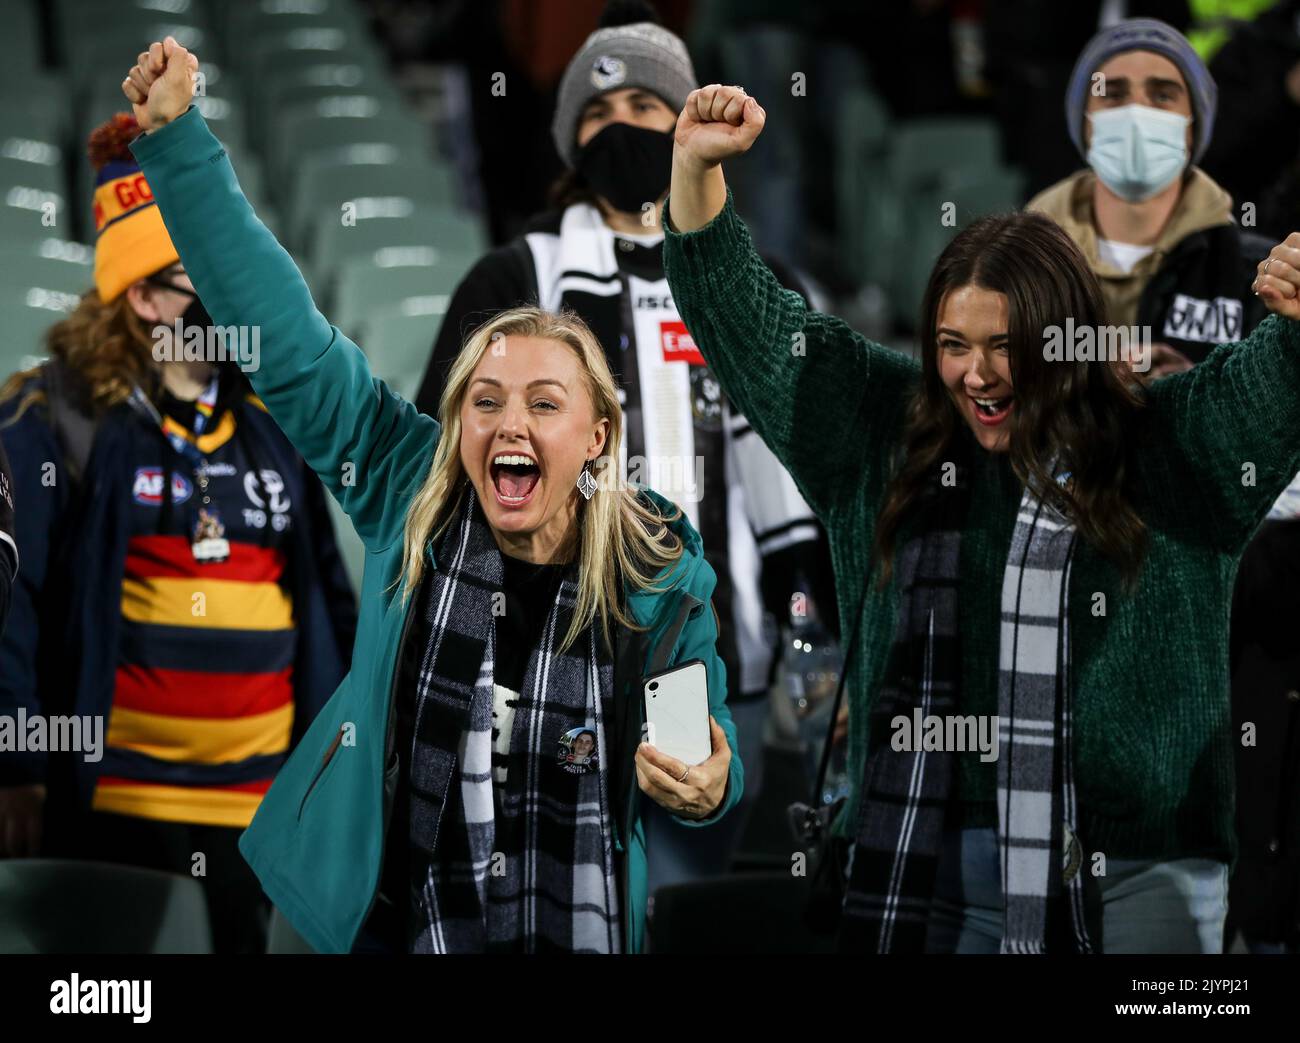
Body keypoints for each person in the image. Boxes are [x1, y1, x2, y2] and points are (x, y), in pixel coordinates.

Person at [122, 36, 743, 955]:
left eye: (544, 402)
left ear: (598, 438)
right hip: (372, 927)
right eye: (483, 402)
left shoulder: (661, 572)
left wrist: (712, 779)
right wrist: (179, 141)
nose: (509, 425)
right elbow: (285, 338)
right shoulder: (406, 486)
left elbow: (699, 747)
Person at [661, 81, 1300, 953]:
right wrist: (696, 169)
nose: (977, 374)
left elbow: (1275, 388)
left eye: (1006, 346)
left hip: (1145, 879)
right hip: (923, 866)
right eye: (954, 345)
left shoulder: (1169, 442)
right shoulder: (881, 431)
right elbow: (751, 320)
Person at [413, 0, 827, 899]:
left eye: (642, 106)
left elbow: (799, 471)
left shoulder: (762, 281)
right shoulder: (515, 275)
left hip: (709, 655)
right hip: (549, 646)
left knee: (672, 897)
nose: (618, 125)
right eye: (594, 115)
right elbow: (440, 459)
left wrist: (810, 628)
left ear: (686, 125)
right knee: (556, 896)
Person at [0, 114, 357, 953]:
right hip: (120, 809)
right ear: (145, 296)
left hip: (265, 814)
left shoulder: (276, 418)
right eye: (196, 273)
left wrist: (339, 772)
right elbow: (14, 604)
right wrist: (13, 764)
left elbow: (327, 604)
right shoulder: (50, 415)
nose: (224, 291)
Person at [1027, 18, 1271, 379]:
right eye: (1113, 93)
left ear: (1193, 126)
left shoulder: (1256, 274)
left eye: (1162, 95)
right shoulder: (1020, 261)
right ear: (1084, 122)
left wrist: (1193, 392)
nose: (1137, 114)